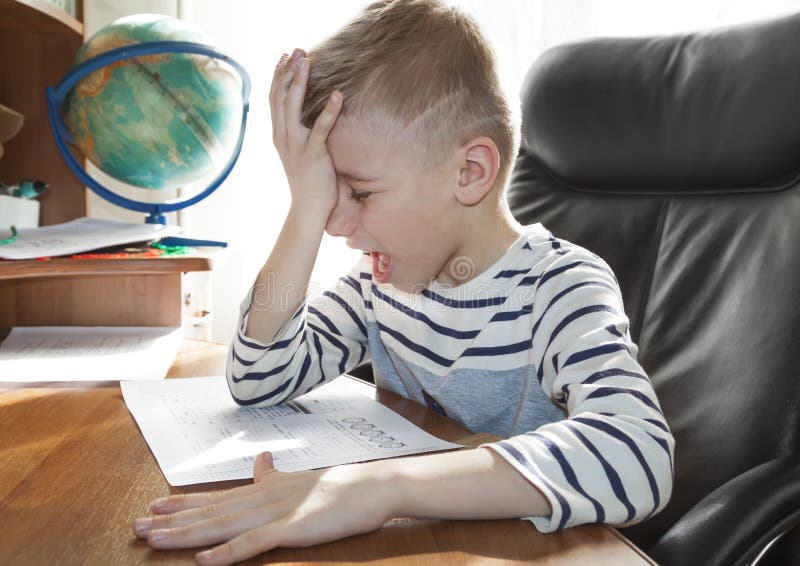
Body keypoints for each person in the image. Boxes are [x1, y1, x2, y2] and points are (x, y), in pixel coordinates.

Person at [132, 1, 674, 564]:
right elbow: (258, 378)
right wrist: (304, 209)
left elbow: (638, 454)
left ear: (469, 174)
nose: (337, 225)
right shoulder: (379, 284)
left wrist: (380, 487)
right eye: (328, 197)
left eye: (360, 193)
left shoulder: (559, 287)